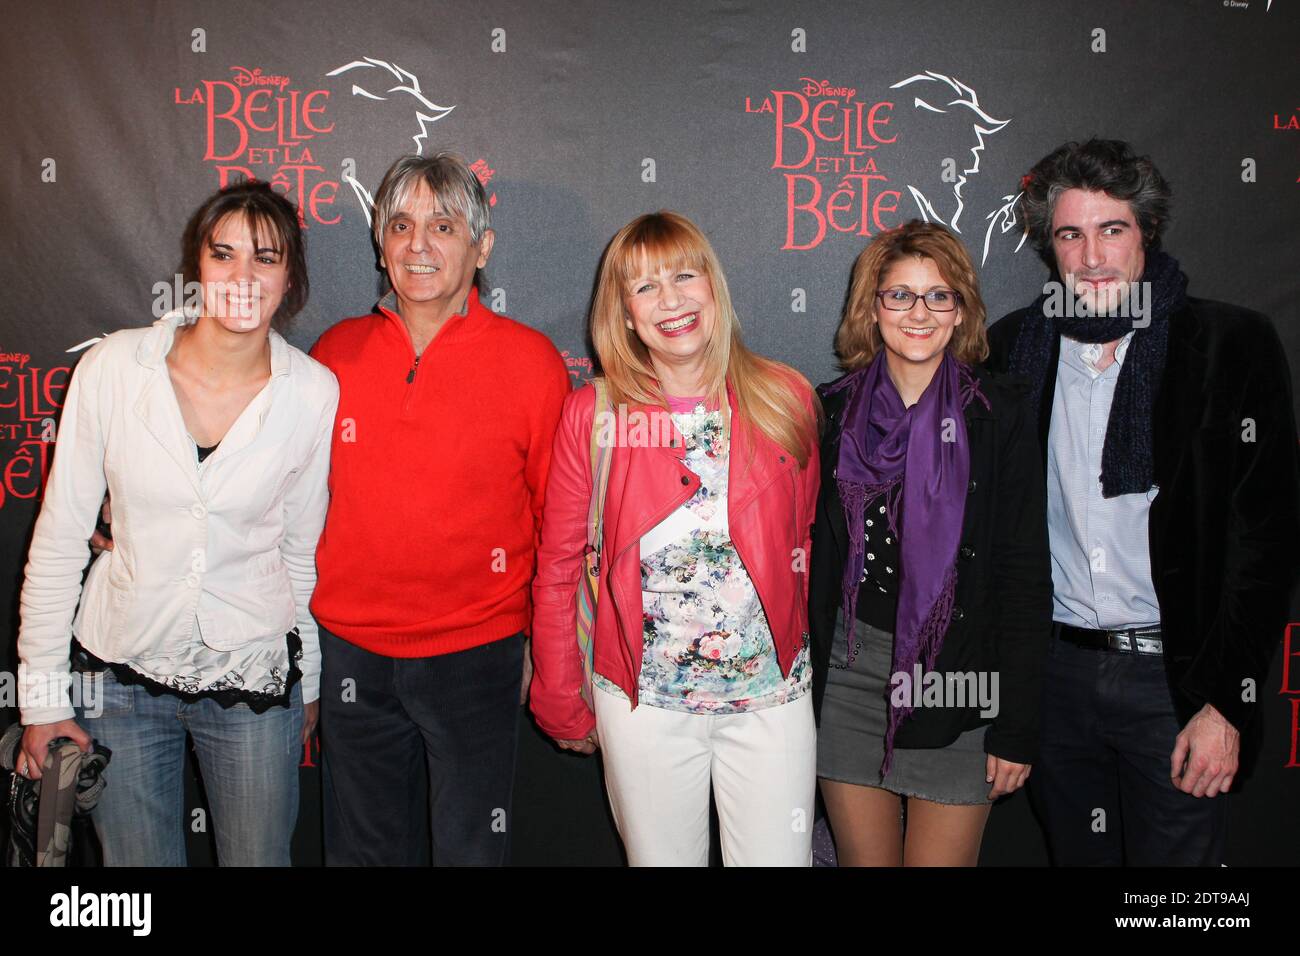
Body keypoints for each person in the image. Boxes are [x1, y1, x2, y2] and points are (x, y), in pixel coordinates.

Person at [986, 138, 1300, 865]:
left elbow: (1267, 540)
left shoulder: (1230, 343)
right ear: (1047, 245)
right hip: (1057, 675)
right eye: (1071, 233)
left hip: (1177, 676)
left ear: (1147, 231)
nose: (1091, 256)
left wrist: (1226, 702)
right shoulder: (1013, 350)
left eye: (1112, 229)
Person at [17, 179, 338, 866]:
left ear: (291, 277)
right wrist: (42, 700)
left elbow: (300, 553)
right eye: (224, 255)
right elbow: (58, 540)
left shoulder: (312, 391)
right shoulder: (112, 368)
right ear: (196, 266)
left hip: (253, 677)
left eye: (266, 257)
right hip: (119, 674)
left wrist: (306, 678)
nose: (243, 277)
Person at [530, 211, 821, 866]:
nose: (671, 300)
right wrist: (556, 689)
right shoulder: (594, 414)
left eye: (685, 276)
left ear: (713, 289)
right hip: (643, 705)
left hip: (770, 700)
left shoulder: (786, 398)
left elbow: (801, 541)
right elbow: (558, 567)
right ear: (625, 315)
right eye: (645, 287)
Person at [309, 152, 571, 866]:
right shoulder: (332, 355)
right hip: (352, 654)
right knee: (362, 856)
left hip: (477, 657)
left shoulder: (532, 362)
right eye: (400, 224)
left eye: (444, 225)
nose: (418, 243)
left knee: (472, 854)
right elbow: (278, 493)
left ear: (481, 246)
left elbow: (562, 530)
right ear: (379, 243)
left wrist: (547, 652)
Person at [809, 220, 1053, 866]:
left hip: (960, 679)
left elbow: (1025, 579)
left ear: (962, 310)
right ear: (872, 308)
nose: (919, 312)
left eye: (939, 296)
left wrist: (1017, 725)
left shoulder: (1000, 416)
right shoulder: (828, 414)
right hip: (851, 677)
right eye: (900, 295)